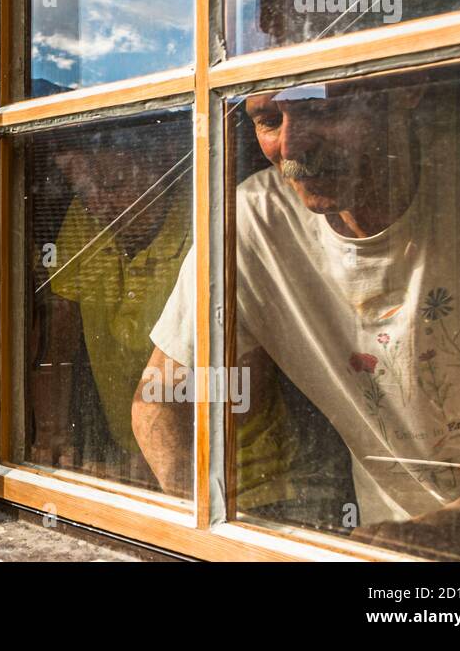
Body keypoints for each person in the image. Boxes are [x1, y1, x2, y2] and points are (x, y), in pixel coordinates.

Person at [132, 76, 460, 558]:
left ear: (403, 89)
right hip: (385, 550)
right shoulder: (250, 222)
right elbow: (161, 401)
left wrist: (455, 528)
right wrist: (209, 540)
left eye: (321, 110)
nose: (291, 145)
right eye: (269, 120)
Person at [43, 116, 297, 505]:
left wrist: (161, 456)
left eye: (114, 185)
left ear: (162, 163)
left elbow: (247, 376)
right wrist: (51, 436)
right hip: (136, 462)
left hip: (240, 474)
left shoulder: (209, 220)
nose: (99, 204)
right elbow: (58, 348)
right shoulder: (87, 219)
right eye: (84, 188)